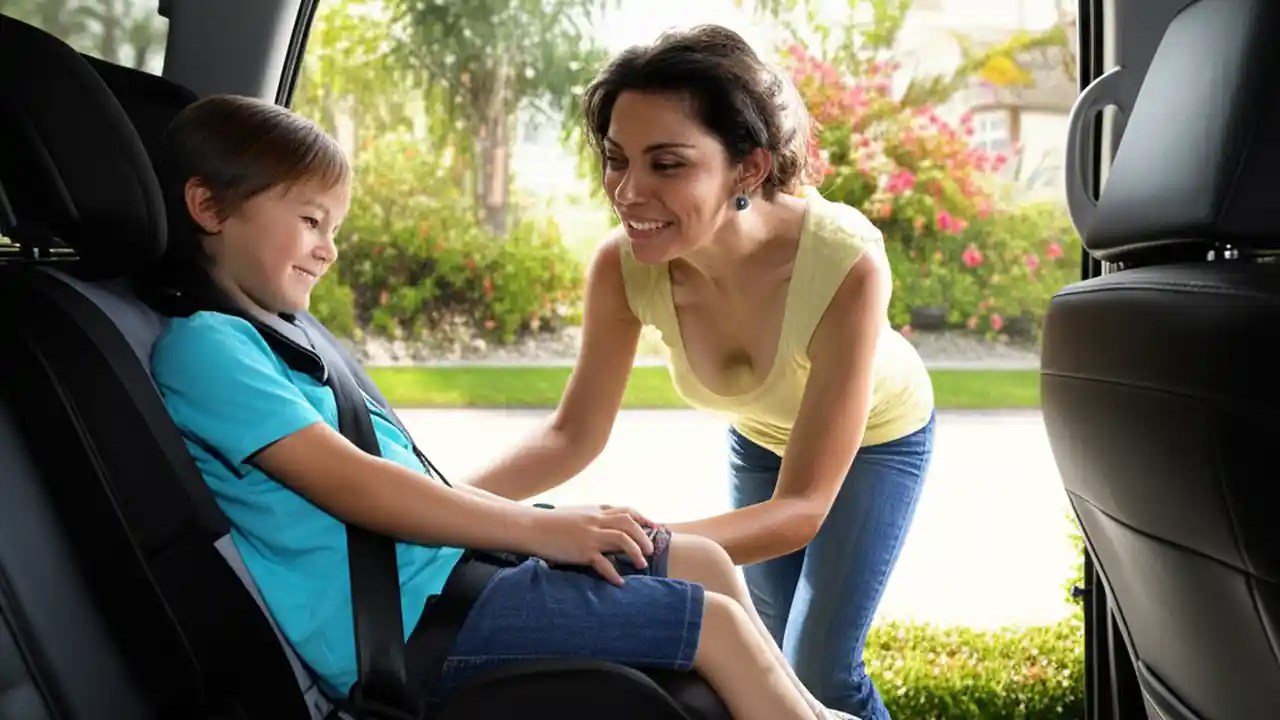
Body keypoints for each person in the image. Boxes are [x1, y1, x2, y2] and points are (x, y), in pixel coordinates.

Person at [142, 93, 859, 720]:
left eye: (334, 228)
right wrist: (541, 532)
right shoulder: (206, 350)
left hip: (444, 578)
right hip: (402, 624)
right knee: (715, 628)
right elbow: (359, 486)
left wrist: (531, 531)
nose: (328, 250)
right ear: (209, 208)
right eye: (310, 220)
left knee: (699, 560)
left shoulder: (277, 337)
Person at [465, 25, 936, 720]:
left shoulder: (845, 262)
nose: (627, 191)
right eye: (617, 159)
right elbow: (572, 436)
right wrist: (438, 507)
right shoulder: (621, 266)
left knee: (820, 668)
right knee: (763, 656)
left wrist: (641, 546)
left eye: (668, 164)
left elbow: (800, 509)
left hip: (881, 437)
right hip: (759, 435)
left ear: (747, 169)